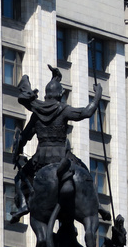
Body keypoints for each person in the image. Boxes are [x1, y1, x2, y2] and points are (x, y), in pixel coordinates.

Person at [9, 65, 103, 223]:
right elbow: (86, 112)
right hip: (61, 156)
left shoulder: (37, 113)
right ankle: (97, 205)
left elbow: (25, 137)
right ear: (60, 94)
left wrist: (17, 150)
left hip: (41, 158)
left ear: (46, 95)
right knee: (85, 173)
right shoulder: (63, 110)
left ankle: (24, 205)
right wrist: (97, 96)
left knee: (19, 178)